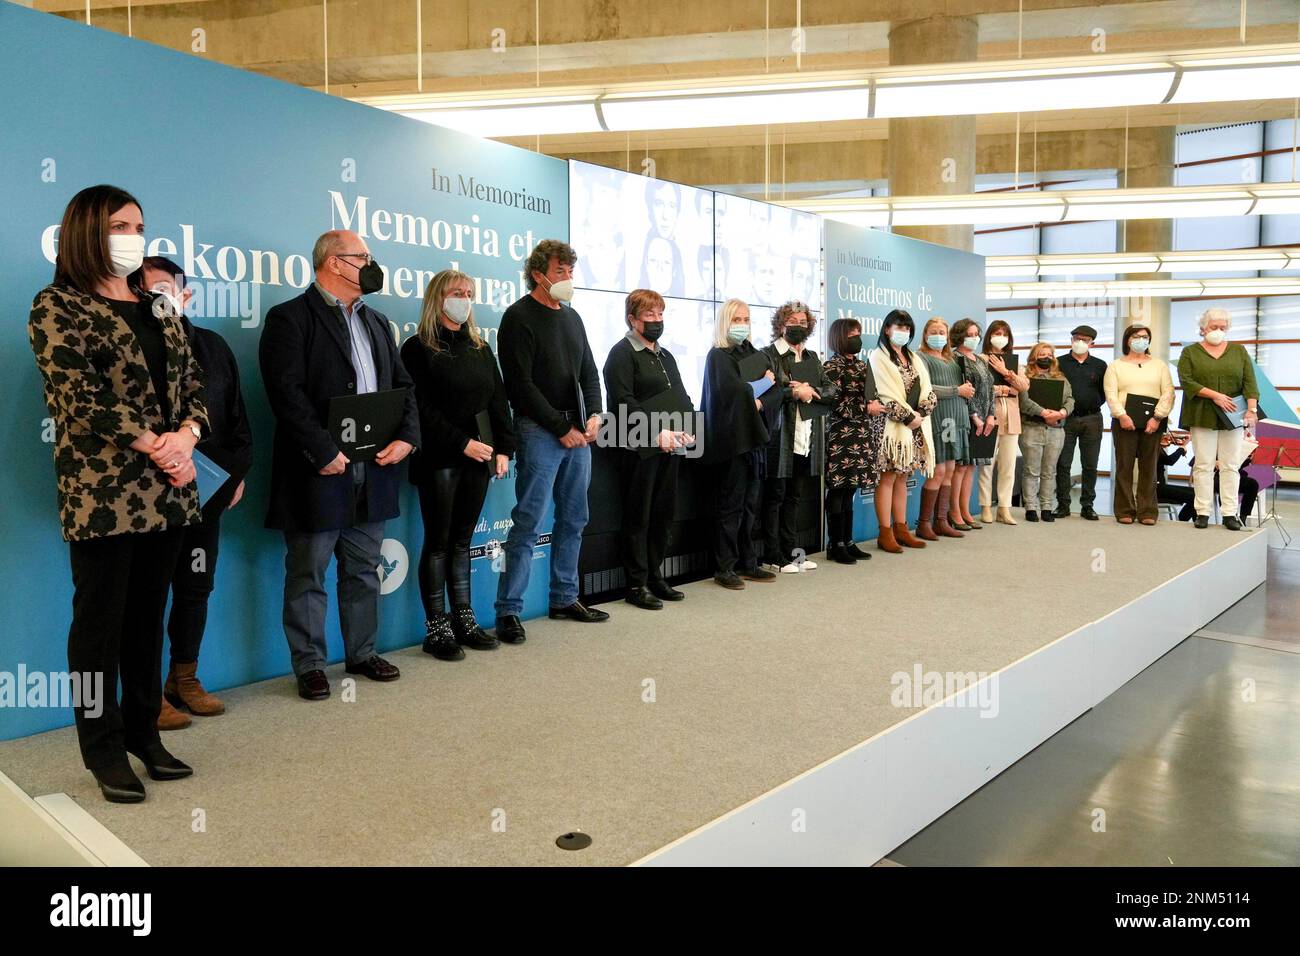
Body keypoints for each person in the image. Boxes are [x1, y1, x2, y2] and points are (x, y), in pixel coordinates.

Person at [29, 185, 209, 803]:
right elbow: (77, 398)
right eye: (119, 226)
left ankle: (143, 733)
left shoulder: (155, 305)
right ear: (86, 233)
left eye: (138, 224)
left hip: (169, 491)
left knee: (146, 622)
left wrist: (186, 435)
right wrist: (156, 444)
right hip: (104, 494)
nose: (133, 235)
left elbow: (192, 383)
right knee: (98, 628)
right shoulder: (56, 306)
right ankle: (101, 749)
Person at [259, 230, 420, 701]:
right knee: (309, 570)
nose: (371, 264)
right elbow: (286, 395)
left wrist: (407, 438)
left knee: (364, 567)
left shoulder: (377, 322)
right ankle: (310, 664)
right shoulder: (290, 318)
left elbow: (404, 388)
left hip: (375, 468)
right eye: (363, 257)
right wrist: (324, 451)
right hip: (318, 469)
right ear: (333, 262)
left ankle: (362, 652)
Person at [142, 257, 252, 731]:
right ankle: (146, 696)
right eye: (149, 290)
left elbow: (236, 419)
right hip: (152, 492)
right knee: (147, 594)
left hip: (209, 490)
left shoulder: (212, 345)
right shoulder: (135, 347)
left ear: (186, 293)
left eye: (167, 288)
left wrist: (234, 475)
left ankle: (183, 679)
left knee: (195, 588)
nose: (160, 297)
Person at [494, 240, 609, 641]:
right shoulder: (517, 317)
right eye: (562, 271)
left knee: (575, 518)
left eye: (571, 272)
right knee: (527, 521)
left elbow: (589, 373)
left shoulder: (572, 318)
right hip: (540, 431)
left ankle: (564, 598)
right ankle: (508, 610)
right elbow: (519, 387)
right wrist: (562, 429)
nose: (568, 279)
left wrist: (594, 415)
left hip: (578, 432)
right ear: (539, 273)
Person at [401, 269, 514, 660]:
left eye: (469, 293)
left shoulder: (481, 347)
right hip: (440, 457)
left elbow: (498, 401)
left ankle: (465, 619)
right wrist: (461, 443)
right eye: (456, 292)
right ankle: (437, 627)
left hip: (479, 458)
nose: (464, 299)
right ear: (438, 298)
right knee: (438, 543)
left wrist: (504, 448)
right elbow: (419, 408)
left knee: (463, 541)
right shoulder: (417, 348)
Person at [603, 289, 697, 608]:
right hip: (637, 448)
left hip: (670, 447)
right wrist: (656, 433)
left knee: (662, 513)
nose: (657, 321)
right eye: (649, 316)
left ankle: (656, 576)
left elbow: (681, 396)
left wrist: (689, 429)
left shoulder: (665, 355)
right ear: (633, 319)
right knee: (638, 516)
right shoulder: (621, 354)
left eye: (660, 315)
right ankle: (636, 584)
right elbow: (622, 402)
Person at [700, 299, 780, 589]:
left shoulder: (756, 354)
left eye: (746, 319)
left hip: (755, 440)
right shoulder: (718, 356)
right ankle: (725, 567)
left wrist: (759, 398)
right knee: (729, 506)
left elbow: (777, 389)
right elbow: (731, 393)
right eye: (736, 319)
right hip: (730, 443)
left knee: (750, 505)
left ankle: (749, 562)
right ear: (725, 322)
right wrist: (759, 387)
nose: (742, 324)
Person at [759, 301, 838, 572]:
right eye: (791, 321)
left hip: (807, 438)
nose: (797, 326)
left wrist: (809, 388)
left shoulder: (813, 357)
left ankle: (792, 553)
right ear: (780, 324)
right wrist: (791, 391)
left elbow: (831, 391)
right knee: (775, 497)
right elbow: (765, 393)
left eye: (802, 322)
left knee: (794, 497)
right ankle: (772, 556)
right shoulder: (767, 355)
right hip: (779, 437)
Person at [1176, 307, 1259, 530]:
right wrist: (1216, 396)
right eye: (1214, 327)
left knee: (1231, 465)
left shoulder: (1239, 351)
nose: (1219, 331)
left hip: (1233, 415)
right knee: (1203, 464)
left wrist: (1252, 409)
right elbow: (1187, 381)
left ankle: (1229, 513)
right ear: (1203, 329)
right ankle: (1202, 511)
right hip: (1201, 413)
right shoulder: (1190, 352)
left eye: (1223, 327)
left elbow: (1250, 382)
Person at [868, 310, 937, 553]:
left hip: (914, 427)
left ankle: (901, 528)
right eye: (899, 327)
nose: (903, 332)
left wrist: (922, 412)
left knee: (903, 478)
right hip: (891, 428)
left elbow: (927, 388)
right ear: (887, 329)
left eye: (907, 328)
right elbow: (885, 394)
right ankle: (884, 532)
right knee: (887, 478)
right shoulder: (879, 357)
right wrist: (909, 416)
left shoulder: (914, 358)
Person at [823, 318, 885, 564]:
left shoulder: (862, 365)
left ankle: (848, 540)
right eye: (852, 333)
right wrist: (865, 407)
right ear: (840, 337)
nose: (857, 337)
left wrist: (873, 405)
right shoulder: (830, 367)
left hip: (861, 433)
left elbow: (872, 394)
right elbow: (835, 403)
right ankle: (834, 543)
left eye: (859, 332)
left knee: (850, 489)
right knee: (837, 489)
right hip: (841, 435)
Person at [1103, 324, 1174, 526]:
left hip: (1153, 422)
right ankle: (1125, 509)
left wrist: (1158, 417)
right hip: (1124, 422)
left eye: (1145, 337)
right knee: (1124, 467)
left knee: (1149, 468)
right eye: (1136, 336)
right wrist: (1122, 415)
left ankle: (1147, 511)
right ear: (1127, 340)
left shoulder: (1159, 365)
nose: (1141, 340)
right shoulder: (1115, 366)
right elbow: (1111, 394)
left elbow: (1168, 393)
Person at [916, 318, 975, 540]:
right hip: (937, 420)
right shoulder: (920, 357)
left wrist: (964, 391)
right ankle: (924, 523)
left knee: (950, 470)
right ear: (925, 334)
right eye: (934, 331)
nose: (939, 335)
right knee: (938, 471)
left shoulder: (952, 359)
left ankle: (941, 520)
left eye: (942, 332)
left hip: (956, 420)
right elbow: (925, 388)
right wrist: (956, 391)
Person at [978, 319, 1030, 525]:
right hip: (989, 416)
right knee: (986, 464)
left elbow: (1023, 386)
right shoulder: (980, 359)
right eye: (996, 332)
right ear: (989, 335)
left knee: (1008, 466)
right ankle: (984, 507)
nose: (1000, 337)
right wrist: (1005, 390)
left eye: (1004, 333)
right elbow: (982, 388)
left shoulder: (1015, 361)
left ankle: (1004, 508)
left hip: (1012, 419)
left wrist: (1004, 372)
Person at [1053, 324, 1107, 520]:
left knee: (1090, 464)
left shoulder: (1100, 365)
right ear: (1071, 340)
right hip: (1066, 418)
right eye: (1076, 338)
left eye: (1084, 340)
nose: (1079, 342)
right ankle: (1063, 504)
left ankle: (1088, 505)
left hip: (1092, 418)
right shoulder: (1058, 363)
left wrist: (1090, 404)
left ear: (1092, 343)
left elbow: (1103, 393)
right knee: (1063, 463)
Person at [1017, 343, 1075, 522]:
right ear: (1034, 356)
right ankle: (1031, 508)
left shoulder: (1060, 378)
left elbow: (1070, 399)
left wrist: (1062, 413)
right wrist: (1044, 413)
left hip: (1056, 430)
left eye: (1049, 355)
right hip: (1031, 428)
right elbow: (1024, 401)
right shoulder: (1025, 377)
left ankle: (1047, 507)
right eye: (1042, 354)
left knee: (1049, 471)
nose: (1046, 358)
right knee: (1031, 470)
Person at [949, 318, 993, 532]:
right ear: (959, 335)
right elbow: (965, 391)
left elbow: (990, 389)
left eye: (977, 334)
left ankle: (965, 510)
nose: (974, 338)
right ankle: (954, 511)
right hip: (966, 418)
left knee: (972, 466)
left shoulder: (980, 360)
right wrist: (975, 415)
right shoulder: (955, 358)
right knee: (961, 466)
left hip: (986, 420)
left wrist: (991, 415)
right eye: (970, 334)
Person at [1156, 432, 1195, 519]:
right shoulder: (1153, 447)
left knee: (1197, 492)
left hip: (1161, 486)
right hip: (1156, 488)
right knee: (1194, 497)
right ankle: (1182, 520)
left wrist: (1181, 442)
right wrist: (1181, 449)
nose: (1166, 437)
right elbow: (1169, 461)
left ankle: (1188, 520)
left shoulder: (1158, 447)